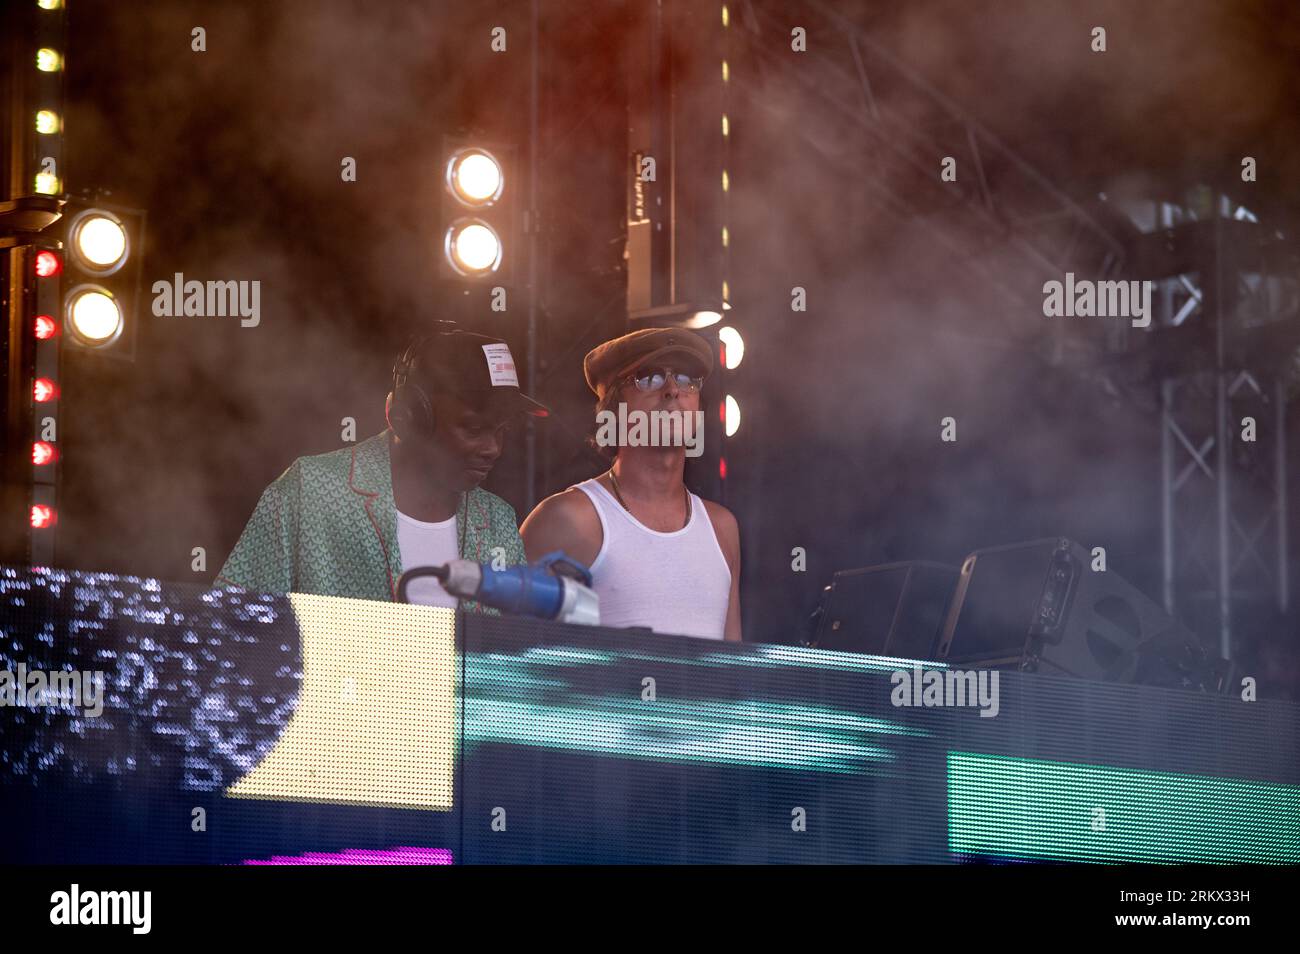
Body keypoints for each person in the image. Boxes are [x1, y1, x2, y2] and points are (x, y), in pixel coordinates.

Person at [215, 325, 548, 612]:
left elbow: (509, 654)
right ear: (410, 418)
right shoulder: (311, 491)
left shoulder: (497, 521)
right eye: (474, 429)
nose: (493, 448)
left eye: (501, 430)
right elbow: (232, 620)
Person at [520, 327, 741, 641]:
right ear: (613, 408)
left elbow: (735, 671)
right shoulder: (568, 519)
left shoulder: (722, 527)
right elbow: (515, 664)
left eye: (685, 378)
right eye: (648, 377)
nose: (672, 390)